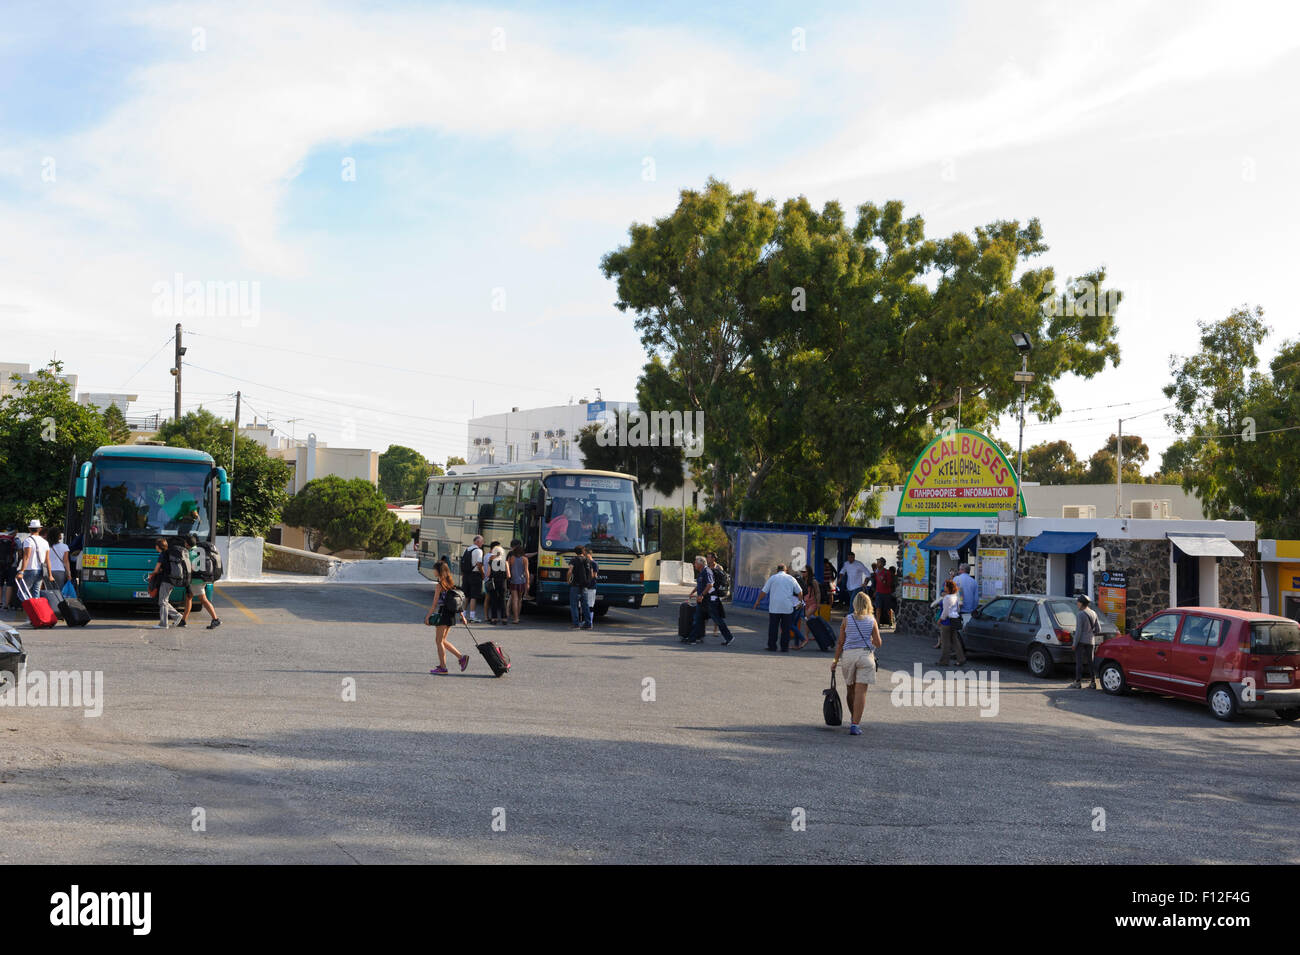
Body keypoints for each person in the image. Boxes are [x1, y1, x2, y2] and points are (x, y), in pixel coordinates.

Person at [832, 591, 883, 735]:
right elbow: (878, 643)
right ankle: (855, 724)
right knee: (861, 692)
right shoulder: (872, 620)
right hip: (865, 656)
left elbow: (840, 643)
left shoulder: (847, 619)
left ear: (854, 604)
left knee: (850, 690)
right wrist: (871, 642)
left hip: (848, 656)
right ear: (868, 604)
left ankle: (853, 715)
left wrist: (835, 661)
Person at [425, 560, 470, 675]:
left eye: (434, 569)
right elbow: (456, 601)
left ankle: (443, 667)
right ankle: (461, 658)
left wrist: (428, 617)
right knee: (442, 641)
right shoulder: (450, 583)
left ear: (439, 571)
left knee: (438, 641)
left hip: (443, 614)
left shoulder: (439, 585)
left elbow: (435, 604)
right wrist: (462, 616)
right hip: (450, 615)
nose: (433, 570)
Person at [753, 563, 802, 652]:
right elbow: (800, 591)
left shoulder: (772, 578)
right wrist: (799, 602)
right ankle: (784, 647)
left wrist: (758, 601)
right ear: (786, 570)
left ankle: (772, 646)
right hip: (787, 607)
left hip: (774, 608)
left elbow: (764, 591)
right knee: (786, 628)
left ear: (777, 570)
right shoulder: (791, 578)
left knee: (773, 627)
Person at [688, 555, 733, 646]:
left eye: (696, 563)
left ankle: (729, 637)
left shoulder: (707, 571)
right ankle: (692, 639)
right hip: (703, 600)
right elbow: (701, 584)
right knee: (697, 618)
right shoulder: (701, 572)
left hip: (710, 601)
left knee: (717, 620)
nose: (694, 564)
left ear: (700, 564)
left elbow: (710, 584)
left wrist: (701, 595)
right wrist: (693, 591)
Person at [181, 534, 222, 630]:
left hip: (196, 581)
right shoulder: (199, 549)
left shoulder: (191, 553)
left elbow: (194, 568)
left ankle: (215, 619)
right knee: (189, 597)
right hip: (201, 579)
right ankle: (183, 620)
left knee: (203, 600)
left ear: (187, 544)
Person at [930, 579, 966, 666]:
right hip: (953, 620)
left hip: (946, 622)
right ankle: (961, 658)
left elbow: (945, 611)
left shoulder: (946, 598)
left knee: (945, 642)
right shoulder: (955, 596)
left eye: (945, 586)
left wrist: (940, 620)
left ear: (949, 588)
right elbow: (958, 609)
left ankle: (944, 661)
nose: (944, 587)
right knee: (955, 641)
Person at [150, 537, 184, 629]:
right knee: (164, 601)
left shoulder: (162, 555)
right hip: (172, 580)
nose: (155, 547)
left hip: (166, 580)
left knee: (162, 602)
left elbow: (157, 569)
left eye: (156, 546)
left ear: (158, 546)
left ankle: (164, 624)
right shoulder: (168, 554)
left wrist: (152, 574)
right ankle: (177, 616)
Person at [1070, 594, 1101, 689]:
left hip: (1081, 642)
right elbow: (1098, 629)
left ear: (1081, 603)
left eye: (1078, 602)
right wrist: (1090, 634)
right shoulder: (1093, 613)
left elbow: (1078, 631)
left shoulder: (1080, 614)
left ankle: (1078, 682)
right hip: (1091, 641)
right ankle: (1093, 682)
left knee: (1079, 662)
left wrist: (1074, 644)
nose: (1077, 603)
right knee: (1090, 662)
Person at [19, 520, 51, 600]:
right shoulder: (45, 542)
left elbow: (26, 557)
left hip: (30, 569)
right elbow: (47, 560)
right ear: (40, 529)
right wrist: (50, 574)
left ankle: (31, 609)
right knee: (36, 593)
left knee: (21, 593)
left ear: (29, 529)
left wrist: (21, 571)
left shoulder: (28, 541)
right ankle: (36, 611)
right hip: (41, 570)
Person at [791, 566, 821, 649]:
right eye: (802, 572)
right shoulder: (801, 580)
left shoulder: (813, 581)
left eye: (805, 572)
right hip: (804, 603)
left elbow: (818, 592)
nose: (803, 573)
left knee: (807, 617)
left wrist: (818, 604)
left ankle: (806, 637)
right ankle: (810, 635)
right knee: (807, 619)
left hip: (812, 603)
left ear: (809, 572)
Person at [567, 545, 594, 629]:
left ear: (575, 552)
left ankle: (576, 624)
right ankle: (588, 624)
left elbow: (570, 571)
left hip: (575, 585)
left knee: (574, 605)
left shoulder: (574, 560)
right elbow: (592, 574)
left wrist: (568, 580)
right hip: (585, 586)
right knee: (585, 605)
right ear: (583, 551)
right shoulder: (588, 560)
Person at [461, 535, 485, 622]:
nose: (483, 543)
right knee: (474, 596)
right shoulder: (479, 551)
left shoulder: (467, 549)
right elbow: (479, 564)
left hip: (466, 575)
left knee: (466, 596)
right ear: (477, 542)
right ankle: (472, 616)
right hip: (475, 575)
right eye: (482, 541)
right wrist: (483, 574)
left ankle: (463, 615)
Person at [486, 542, 509, 625]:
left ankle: (494, 619)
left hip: (493, 583)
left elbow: (488, 574)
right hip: (503, 583)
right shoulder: (505, 562)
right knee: (502, 600)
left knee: (494, 601)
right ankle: (504, 618)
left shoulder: (491, 562)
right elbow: (509, 575)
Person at [507, 542, 529, 624]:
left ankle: (515, 618)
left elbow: (507, 568)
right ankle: (517, 617)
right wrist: (528, 582)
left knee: (514, 599)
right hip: (522, 581)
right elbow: (526, 572)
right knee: (520, 599)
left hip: (513, 581)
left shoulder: (511, 558)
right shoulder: (524, 559)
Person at [48, 529, 71, 596]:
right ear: (58, 536)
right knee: (59, 592)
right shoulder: (64, 546)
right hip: (60, 572)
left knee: (49, 591)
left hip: (49, 571)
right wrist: (69, 574)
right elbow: (66, 561)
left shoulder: (47, 546)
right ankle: (58, 605)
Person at [875, 560, 896, 628]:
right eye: (877, 562)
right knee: (878, 608)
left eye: (879, 562)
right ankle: (877, 623)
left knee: (888, 609)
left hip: (886, 593)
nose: (877, 563)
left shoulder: (887, 572)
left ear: (882, 564)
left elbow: (890, 583)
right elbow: (876, 582)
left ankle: (891, 622)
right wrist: (875, 591)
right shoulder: (877, 571)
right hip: (878, 592)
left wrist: (884, 581)